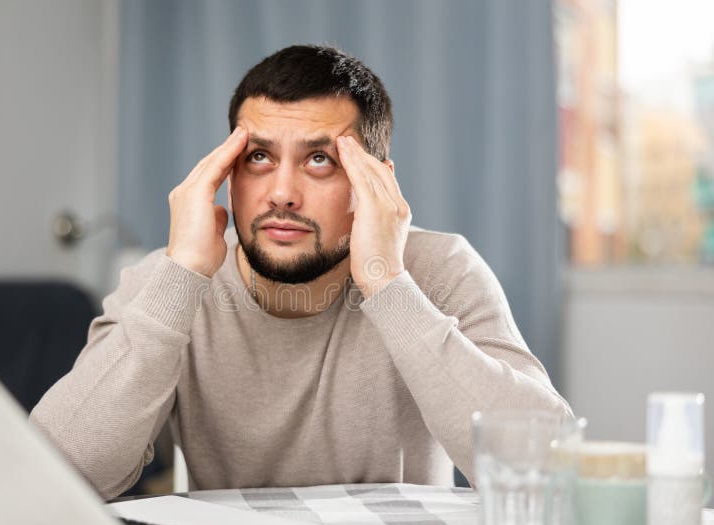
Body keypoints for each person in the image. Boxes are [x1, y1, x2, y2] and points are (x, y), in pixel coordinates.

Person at [30, 44, 572, 500]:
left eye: (320, 160)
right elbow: (53, 480)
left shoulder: (439, 269)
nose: (282, 194)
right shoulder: (169, 281)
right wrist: (181, 276)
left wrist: (387, 282)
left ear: (375, 185)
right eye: (258, 158)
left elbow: (548, 476)